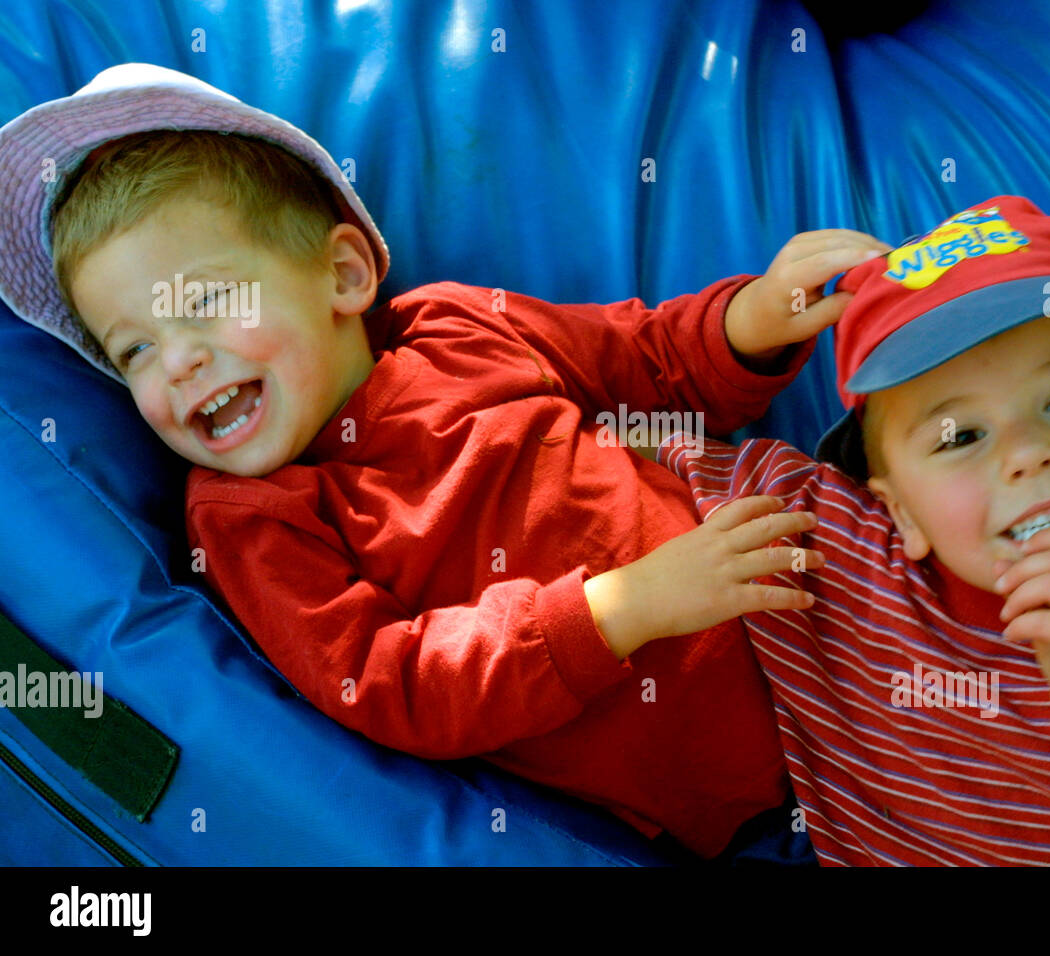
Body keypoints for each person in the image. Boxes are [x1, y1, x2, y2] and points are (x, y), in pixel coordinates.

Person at [0, 63, 890, 860]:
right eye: (134, 352)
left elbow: (648, 361)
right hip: (771, 807)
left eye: (205, 302)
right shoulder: (249, 514)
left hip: (838, 604)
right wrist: (623, 609)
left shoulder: (457, 324)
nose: (178, 361)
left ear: (345, 276)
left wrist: (757, 318)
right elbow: (391, 680)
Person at [653, 196, 1050, 865]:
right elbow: (598, 431)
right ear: (900, 512)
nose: (1026, 453)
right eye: (959, 435)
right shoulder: (820, 543)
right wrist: (748, 322)